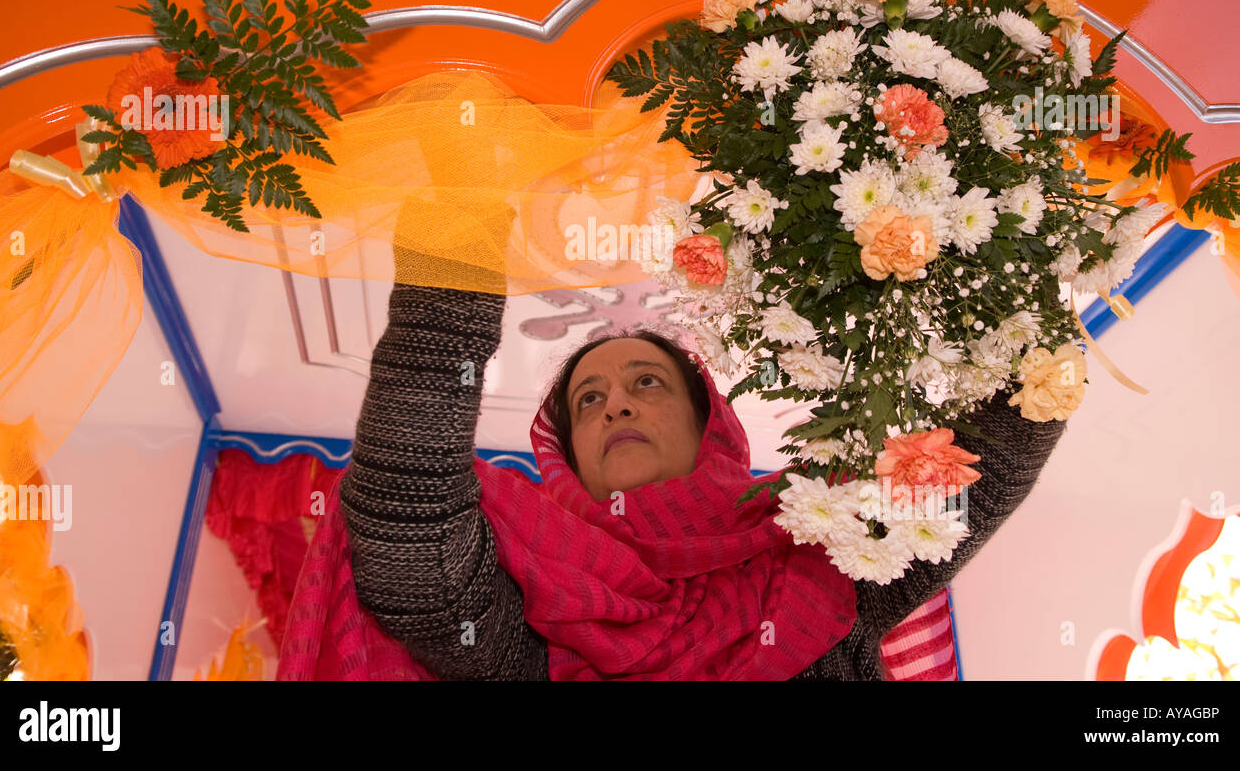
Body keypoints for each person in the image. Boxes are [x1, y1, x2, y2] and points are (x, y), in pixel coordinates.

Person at [277, 266, 1070, 680]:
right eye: (587, 400)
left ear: (711, 426)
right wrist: (458, 224)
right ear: (567, 457)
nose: (614, 406)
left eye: (645, 383)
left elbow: (996, 453)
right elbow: (407, 526)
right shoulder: (528, 618)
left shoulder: (824, 553)